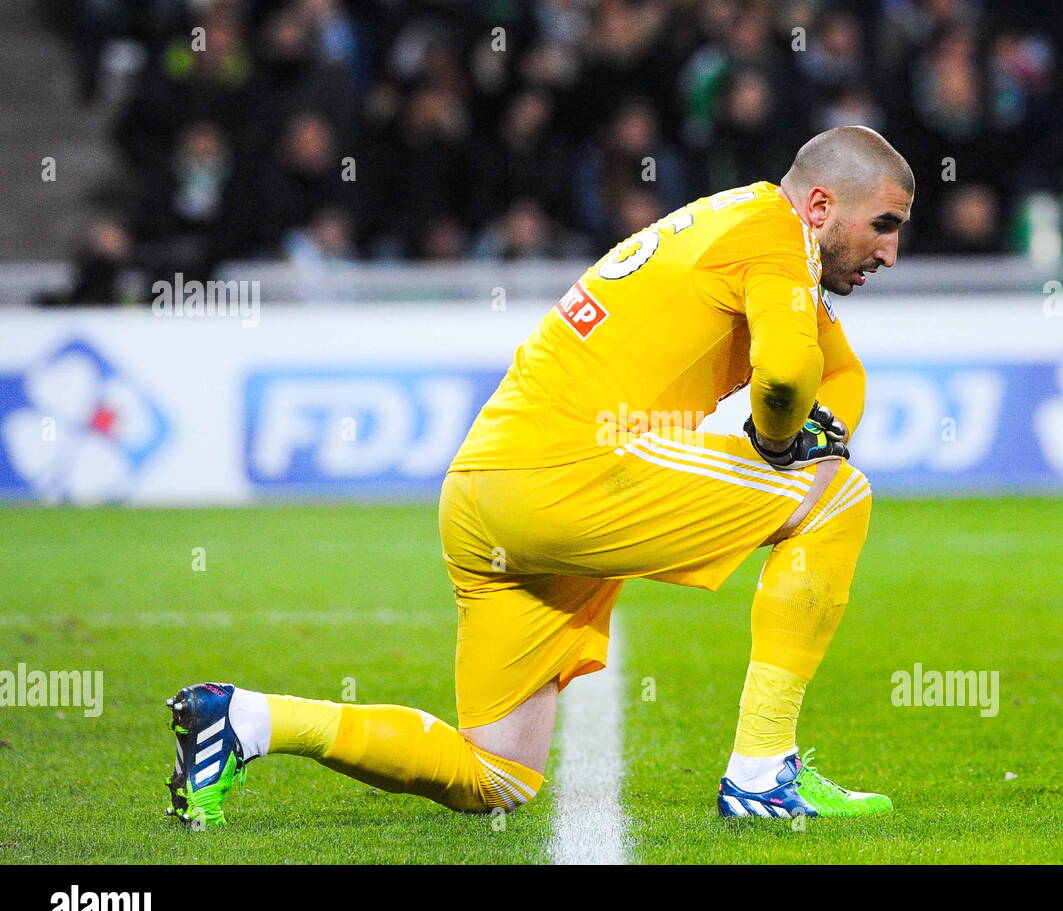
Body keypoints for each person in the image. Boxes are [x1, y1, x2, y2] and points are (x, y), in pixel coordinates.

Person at [164, 126, 914, 824]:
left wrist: (828, 426)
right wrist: (782, 436)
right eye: (884, 224)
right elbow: (785, 374)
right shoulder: (773, 236)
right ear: (819, 205)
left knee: (496, 774)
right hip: (574, 471)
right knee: (837, 496)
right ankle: (761, 773)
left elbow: (837, 372)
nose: (890, 252)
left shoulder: (736, 224)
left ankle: (246, 719)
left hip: (482, 491)